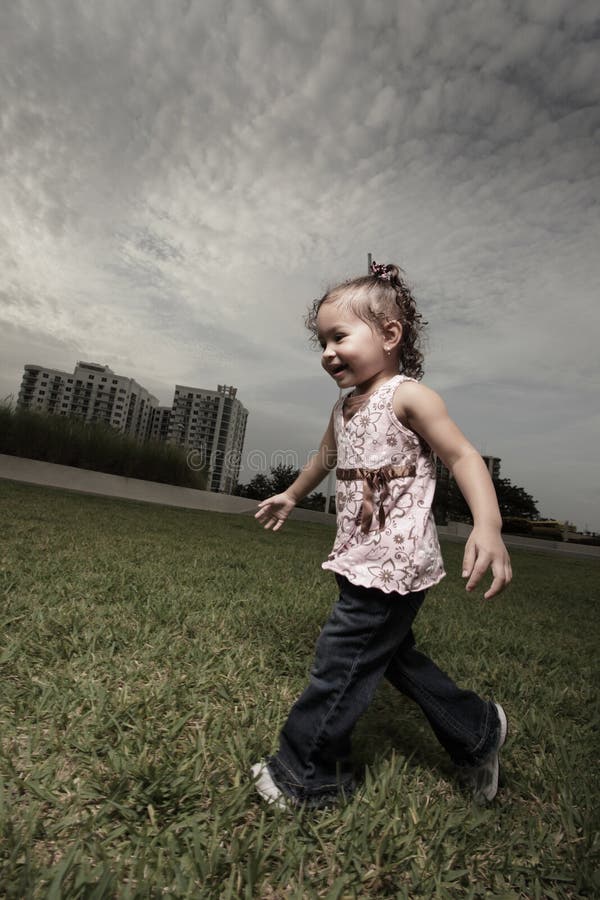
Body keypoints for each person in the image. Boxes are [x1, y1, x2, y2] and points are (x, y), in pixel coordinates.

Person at [252, 261, 512, 809]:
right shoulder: (345, 405)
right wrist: (294, 494)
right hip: (360, 554)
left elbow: (463, 455)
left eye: (339, 336)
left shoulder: (408, 397)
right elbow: (327, 455)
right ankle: (477, 729)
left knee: (340, 660)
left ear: (390, 335)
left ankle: (306, 776)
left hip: (394, 563)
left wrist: (488, 525)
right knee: (388, 656)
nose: (327, 351)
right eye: (321, 341)